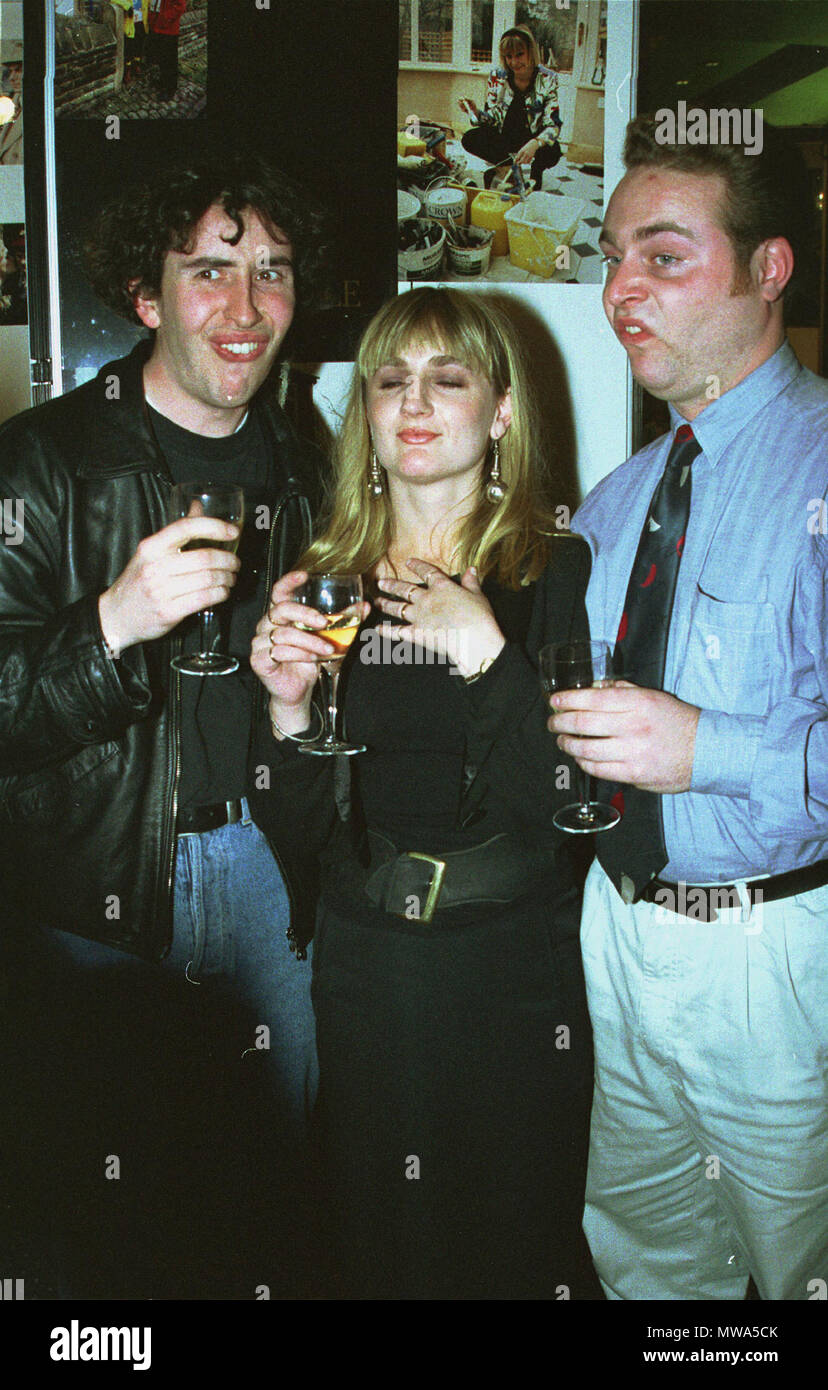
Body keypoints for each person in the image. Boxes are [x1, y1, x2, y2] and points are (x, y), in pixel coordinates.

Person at [0, 156, 327, 1298]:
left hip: (273, 873)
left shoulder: (317, 466)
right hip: (95, 890)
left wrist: (312, 684)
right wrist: (111, 624)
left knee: (269, 1189)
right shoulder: (37, 464)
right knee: (107, 1227)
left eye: (272, 272)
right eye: (210, 272)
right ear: (146, 296)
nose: (245, 309)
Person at [249, 286, 601, 1300]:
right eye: (390, 380)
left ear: (499, 411)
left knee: (511, 1239)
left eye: (448, 379)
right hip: (367, 966)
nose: (414, 401)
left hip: (510, 966)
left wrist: (489, 657)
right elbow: (299, 837)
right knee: (374, 1242)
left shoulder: (555, 570)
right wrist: (283, 716)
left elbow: (573, 805)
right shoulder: (327, 579)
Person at [548, 114, 828, 1300]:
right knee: (654, 1262)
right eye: (613, 257)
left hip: (778, 956)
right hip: (618, 933)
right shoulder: (615, 501)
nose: (622, 290)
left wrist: (708, 747)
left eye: (665, 256)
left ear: (771, 268)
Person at [460, 25, 561, 190]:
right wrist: (476, 112)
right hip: (505, 136)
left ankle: (536, 171)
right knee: (470, 138)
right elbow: (492, 120)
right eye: (508, 56)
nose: (514, 62)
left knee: (553, 150)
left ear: (530, 52)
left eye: (520, 54)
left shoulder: (547, 78)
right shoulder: (497, 76)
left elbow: (554, 125)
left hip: (532, 137)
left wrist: (535, 143)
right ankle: (505, 170)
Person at [147, 0, 186, 101]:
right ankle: (163, 81)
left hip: (169, 29)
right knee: (161, 58)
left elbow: (180, 6)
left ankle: (170, 89)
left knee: (169, 61)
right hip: (157, 25)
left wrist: (164, 19)